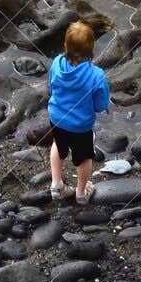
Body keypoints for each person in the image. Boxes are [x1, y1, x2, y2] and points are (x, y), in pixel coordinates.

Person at [47, 20, 110, 203]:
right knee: (84, 158)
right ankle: (81, 193)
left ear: (65, 45)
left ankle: (56, 186)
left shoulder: (56, 63)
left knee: (58, 147)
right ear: (91, 50)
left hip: (57, 118)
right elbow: (100, 105)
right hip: (80, 127)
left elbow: (51, 87)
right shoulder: (96, 75)